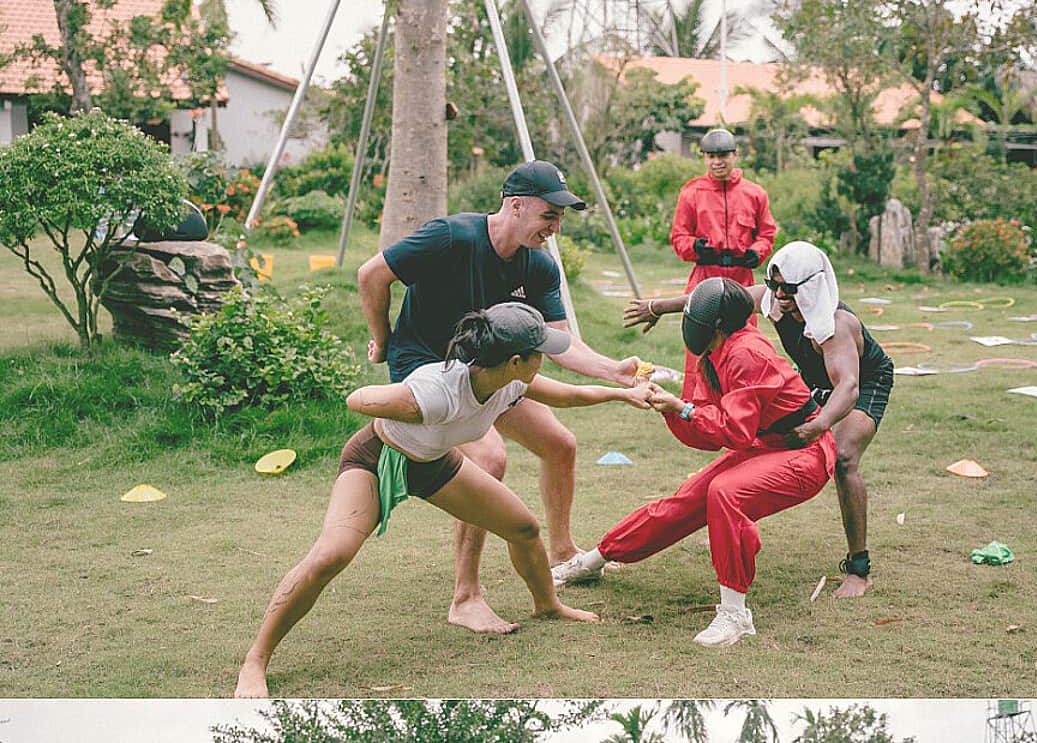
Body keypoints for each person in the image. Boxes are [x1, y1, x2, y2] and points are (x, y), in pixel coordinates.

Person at [235, 303, 653, 698]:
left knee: (522, 528)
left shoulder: (510, 383)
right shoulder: (437, 391)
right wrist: (409, 405)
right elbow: (356, 399)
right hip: (377, 459)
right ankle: (256, 659)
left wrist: (622, 394)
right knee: (331, 555)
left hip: (435, 464)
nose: (544, 360)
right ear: (514, 361)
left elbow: (565, 395)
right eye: (539, 353)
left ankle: (548, 605)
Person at [357, 159, 641, 634]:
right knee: (489, 458)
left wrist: (616, 371)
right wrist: (383, 340)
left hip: (489, 369)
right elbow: (372, 274)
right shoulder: (451, 237)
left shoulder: (539, 265)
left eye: (560, 217)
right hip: (429, 366)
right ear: (515, 205)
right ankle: (465, 597)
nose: (555, 227)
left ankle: (563, 553)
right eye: (549, 215)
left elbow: (561, 341)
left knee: (560, 445)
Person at [554, 278, 836, 647]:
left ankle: (735, 615)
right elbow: (705, 434)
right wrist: (671, 409)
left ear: (714, 324)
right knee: (687, 500)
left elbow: (734, 432)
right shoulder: (714, 356)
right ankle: (592, 562)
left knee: (726, 493)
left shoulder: (746, 352)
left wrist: (683, 409)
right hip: (766, 445)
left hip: (805, 453)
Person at [622, 241, 893, 598]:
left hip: (862, 381)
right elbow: (713, 303)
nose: (779, 294)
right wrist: (657, 307)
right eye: (775, 284)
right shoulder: (774, 297)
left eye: (789, 289)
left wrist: (817, 425)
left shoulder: (837, 324)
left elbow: (848, 388)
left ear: (810, 286)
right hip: (814, 380)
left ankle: (859, 569)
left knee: (842, 459)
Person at [669, 128, 777, 399]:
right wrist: (694, 247)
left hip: (741, 280)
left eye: (724, 155)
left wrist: (757, 251)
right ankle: (697, 408)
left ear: (735, 155)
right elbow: (678, 237)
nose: (718, 162)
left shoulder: (755, 194)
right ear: (704, 158)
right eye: (712, 156)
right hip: (705, 276)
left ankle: (744, 401)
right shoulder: (691, 194)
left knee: (745, 342)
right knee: (700, 342)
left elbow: (767, 233)